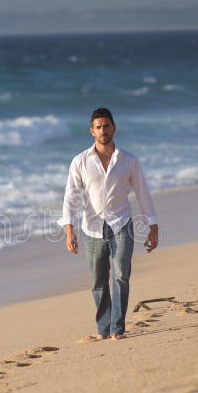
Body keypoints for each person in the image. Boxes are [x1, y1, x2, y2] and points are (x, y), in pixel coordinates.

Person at [58, 108, 159, 340]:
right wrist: (69, 230)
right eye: (98, 127)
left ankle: (117, 328)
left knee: (121, 274)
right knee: (98, 280)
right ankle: (103, 328)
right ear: (92, 131)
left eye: (106, 126)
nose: (103, 130)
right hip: (92, 228)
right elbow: (71, 197)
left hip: (122, 223)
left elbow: (143, 193)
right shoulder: (80, 161)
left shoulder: (129, 160)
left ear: (114, 127)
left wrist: (153, 226)